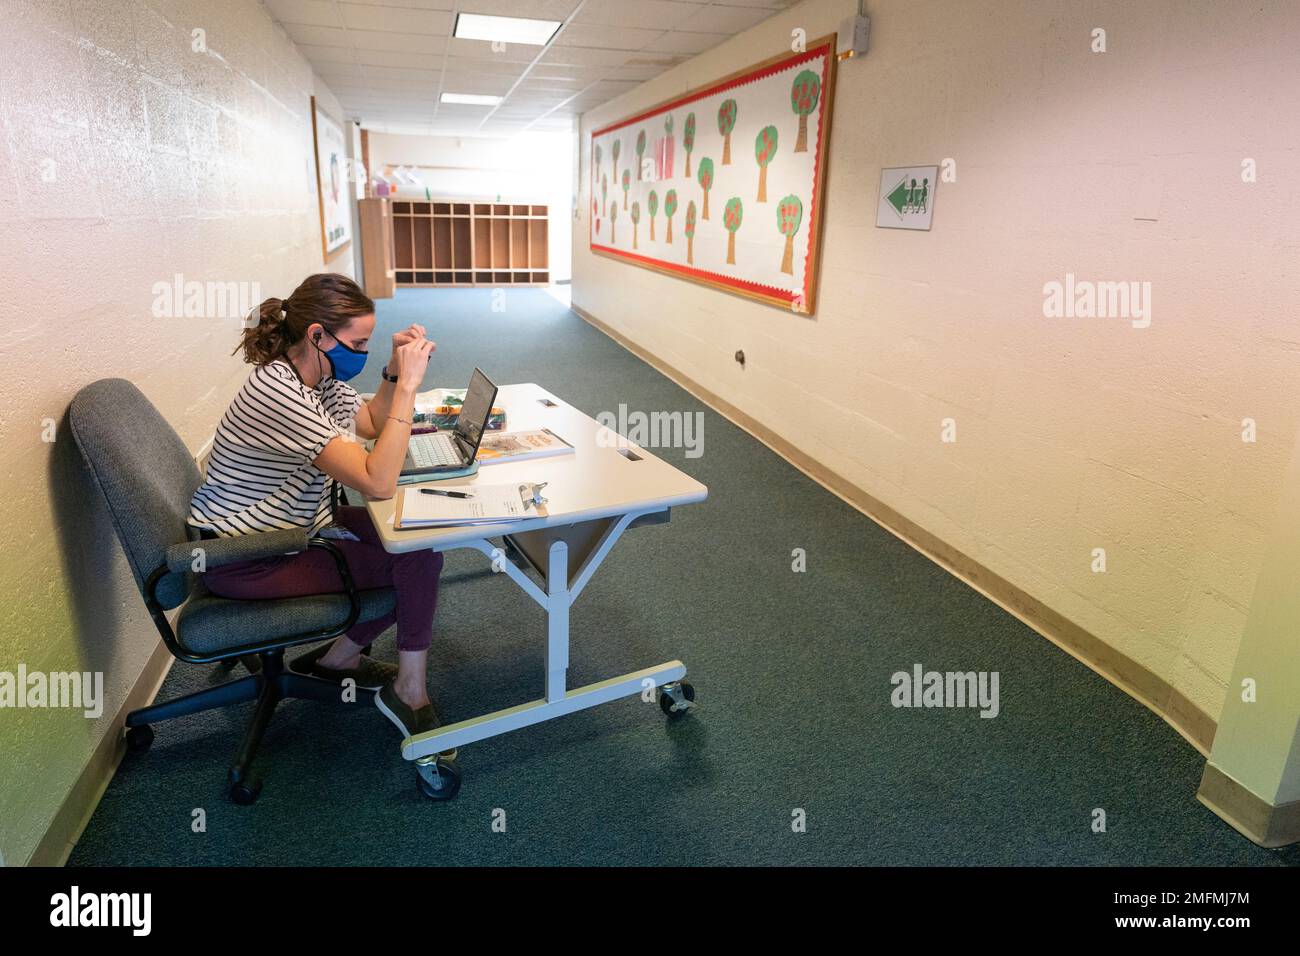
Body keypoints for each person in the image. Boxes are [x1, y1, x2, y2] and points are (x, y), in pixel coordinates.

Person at [187, 272, 445, 741]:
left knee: (419, 544)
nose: (362, 354)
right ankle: (409, 690)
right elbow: (379, 481)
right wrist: (407, 387)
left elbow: (368, 422)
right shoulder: (279, 393)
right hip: (249, 557)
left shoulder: (311, 374)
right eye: (359, 342)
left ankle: (339, 659)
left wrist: (390, 371)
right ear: (317, 335)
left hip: (295, 527)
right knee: (415, 565)